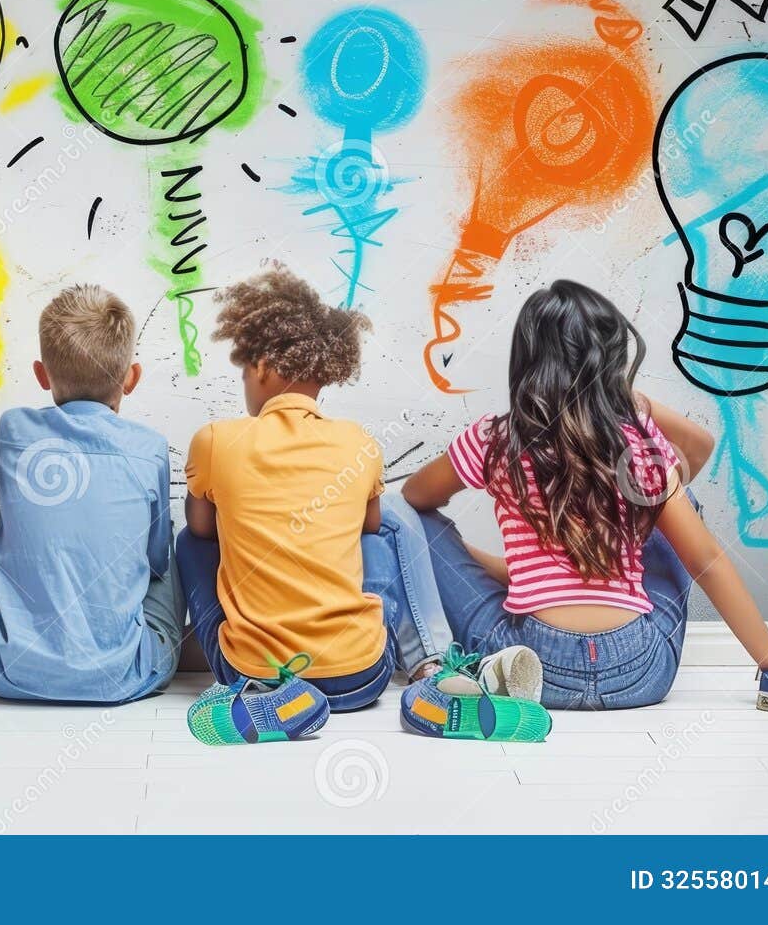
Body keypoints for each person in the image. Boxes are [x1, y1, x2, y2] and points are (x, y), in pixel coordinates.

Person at [396, 279, 768, 713]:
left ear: (526, 361)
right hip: (641, 672)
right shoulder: (637, 443)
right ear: (609, 363)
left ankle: (443, 660)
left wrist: (478, 561)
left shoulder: (495, 438)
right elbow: (704, 554)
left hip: (531, 669)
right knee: (683, 509)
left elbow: (414, 498)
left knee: (413, 524)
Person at [177, 264, 549, 745]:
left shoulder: (215, 439)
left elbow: (201, 531)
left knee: (190, 541)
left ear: (263, 367)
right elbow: (372, 526)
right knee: (382, 522)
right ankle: (430, 680)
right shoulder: (359, 444)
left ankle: (268, 689)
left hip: (255, 665)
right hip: (361, 676)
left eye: (245, 369)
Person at [0, 284, 182, 703]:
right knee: (168, 534)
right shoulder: (149, 448)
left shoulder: (13, 430)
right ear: (132, 378)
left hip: (4, 669)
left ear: (41, 374)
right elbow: (156, 559)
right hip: (124, 675)